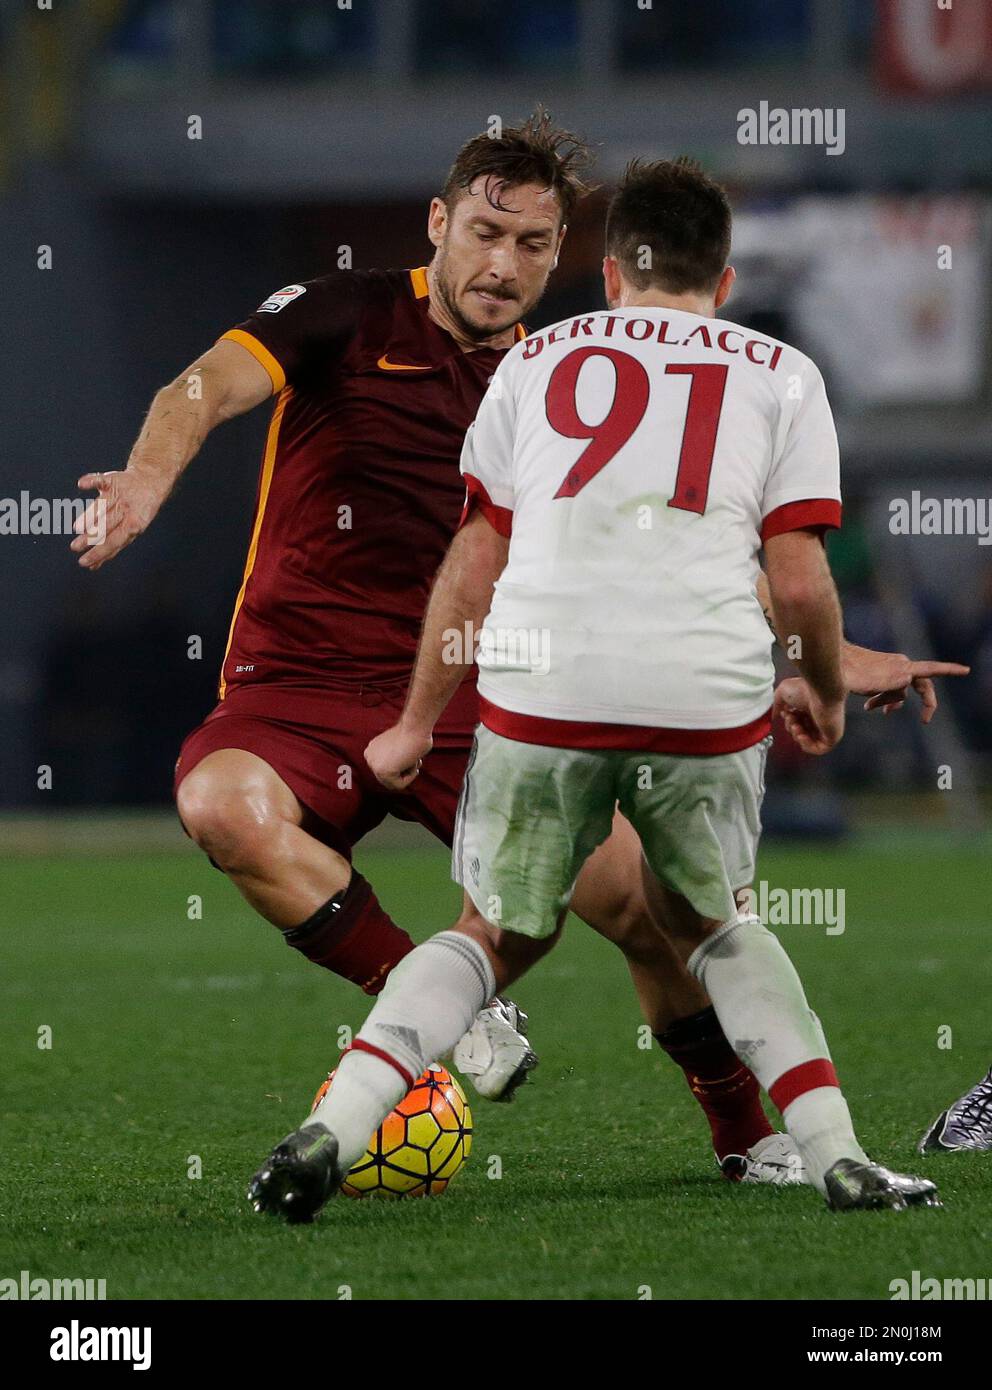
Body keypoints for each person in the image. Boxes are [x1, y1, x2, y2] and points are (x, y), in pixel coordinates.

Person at [72, 113, 964, 1184]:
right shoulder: (341, 312)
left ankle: (745, 1137)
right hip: (297, 679)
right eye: (485, 233)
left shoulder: (558, 373)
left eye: (532, 244)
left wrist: (819, 652)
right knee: (219, 803)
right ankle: (458, 1014)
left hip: (478, 688)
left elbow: (663, 542)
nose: (501, 265)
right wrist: (144, 480)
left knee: (646, 909)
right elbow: (202, 387)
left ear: (563, 257)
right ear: (439, 224)